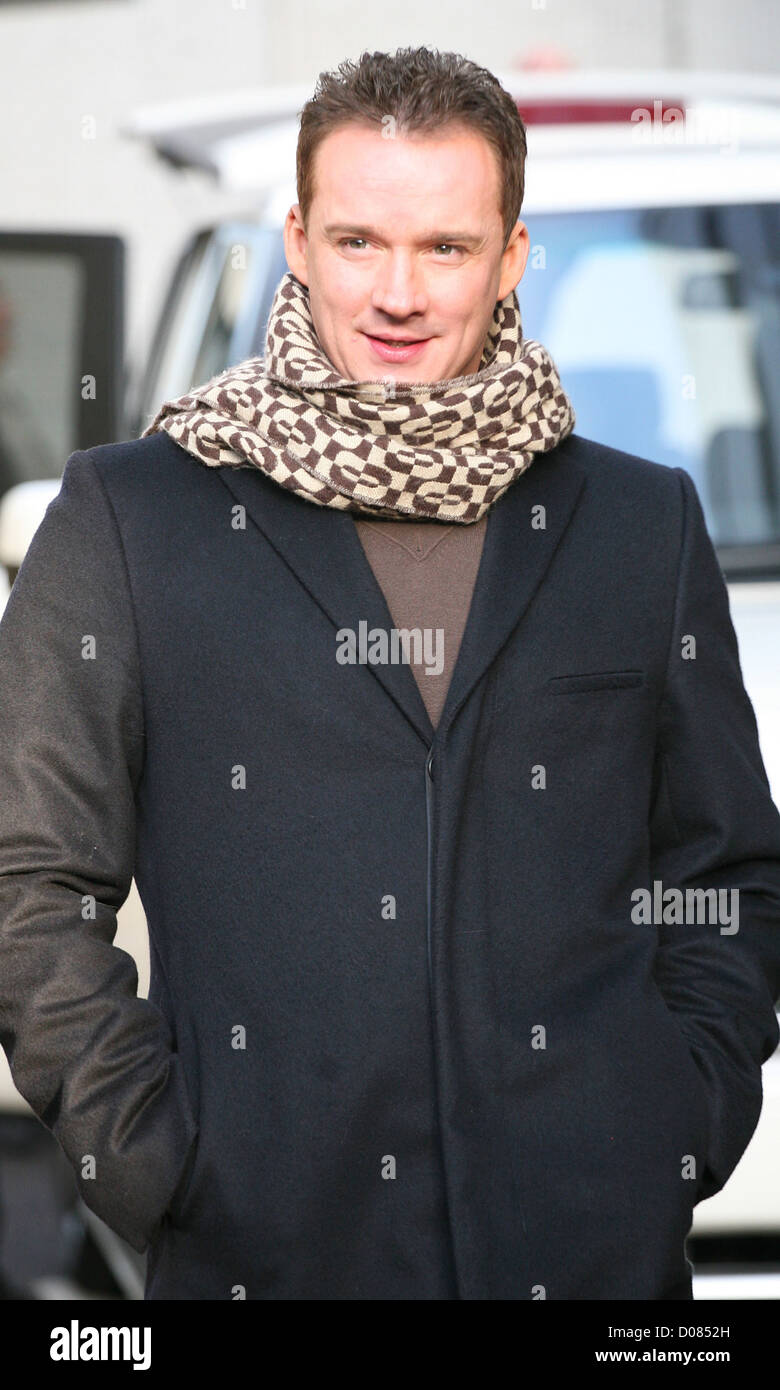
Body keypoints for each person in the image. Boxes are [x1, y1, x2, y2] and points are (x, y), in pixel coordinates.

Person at [1, 46, 779, 1302]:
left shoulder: (644, 524)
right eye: (360, 241)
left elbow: (726, 869)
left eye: (446, 248)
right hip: (265, 1250)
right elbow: (32, 877)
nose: (399, 292)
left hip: (594, 1260)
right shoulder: (131, 514)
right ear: (299, 242)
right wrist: (150, 1158)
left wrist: (676, 1118)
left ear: (513, 256)